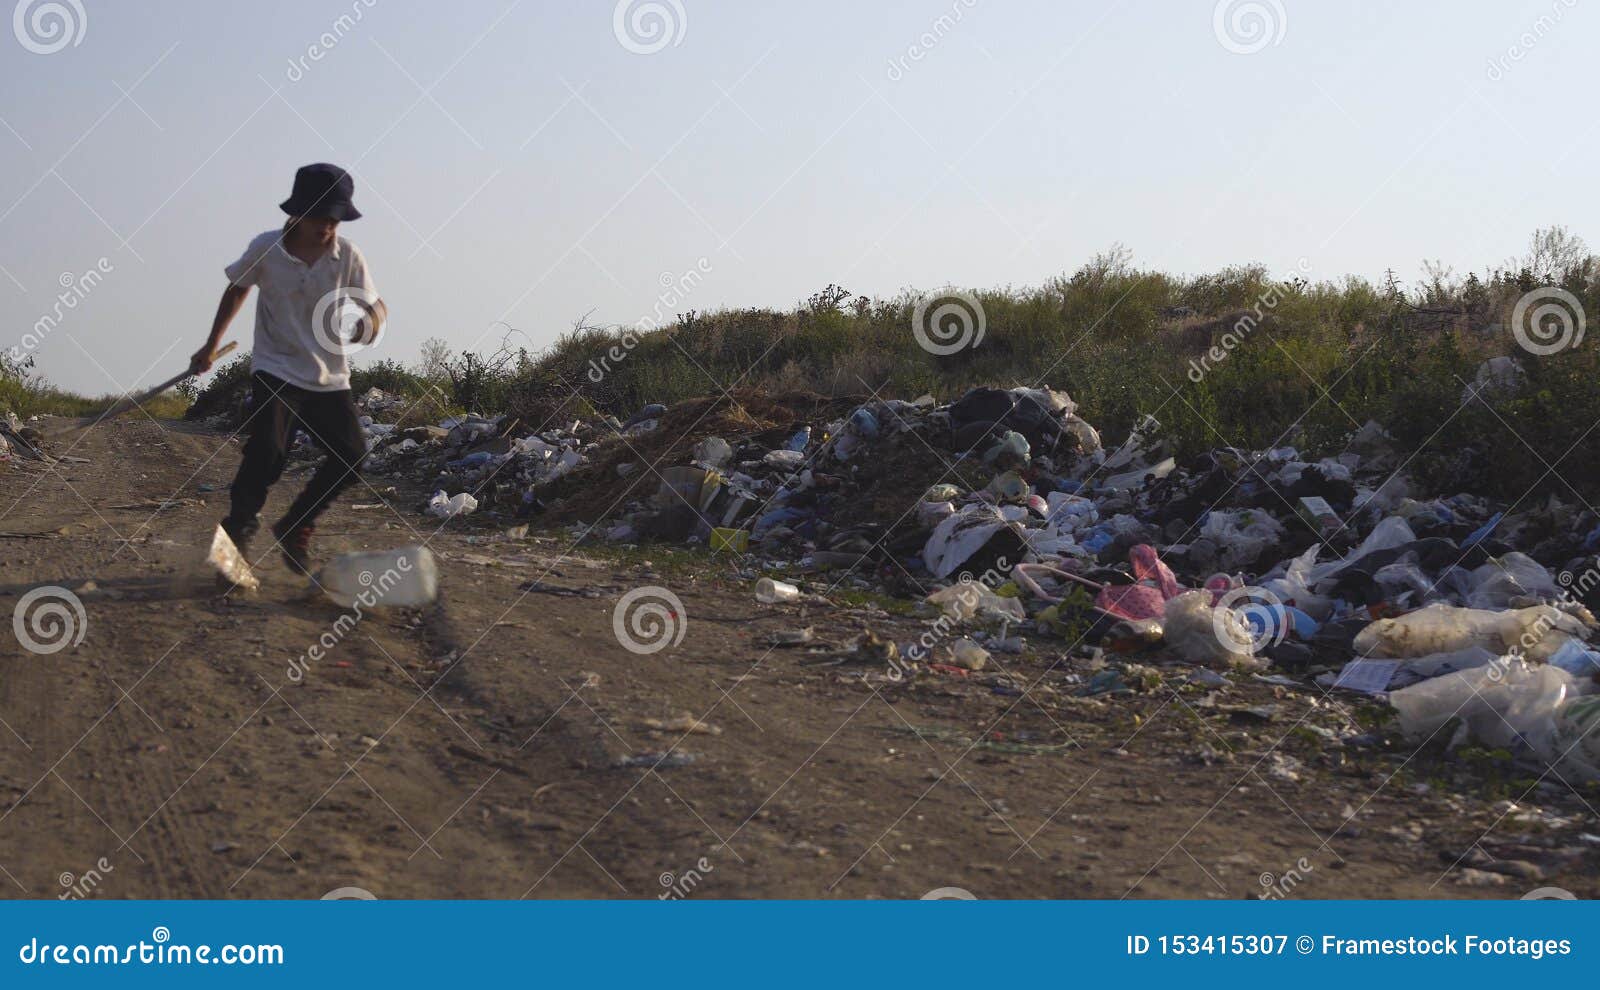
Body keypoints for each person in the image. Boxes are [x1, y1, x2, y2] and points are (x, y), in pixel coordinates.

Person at [189, 163, 387, 576]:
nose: (327, 228)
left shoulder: (347, 255)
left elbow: (375, 304)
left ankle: (297, 523)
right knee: (268, 452)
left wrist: (372, 322)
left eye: (334, 220)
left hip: (329, 376)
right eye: (319, 218)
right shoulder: (267, 249)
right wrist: (209, 347)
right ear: (298, 213)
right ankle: (235, 538)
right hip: (275, 367)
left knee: (351, 456)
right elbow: (237, 287)